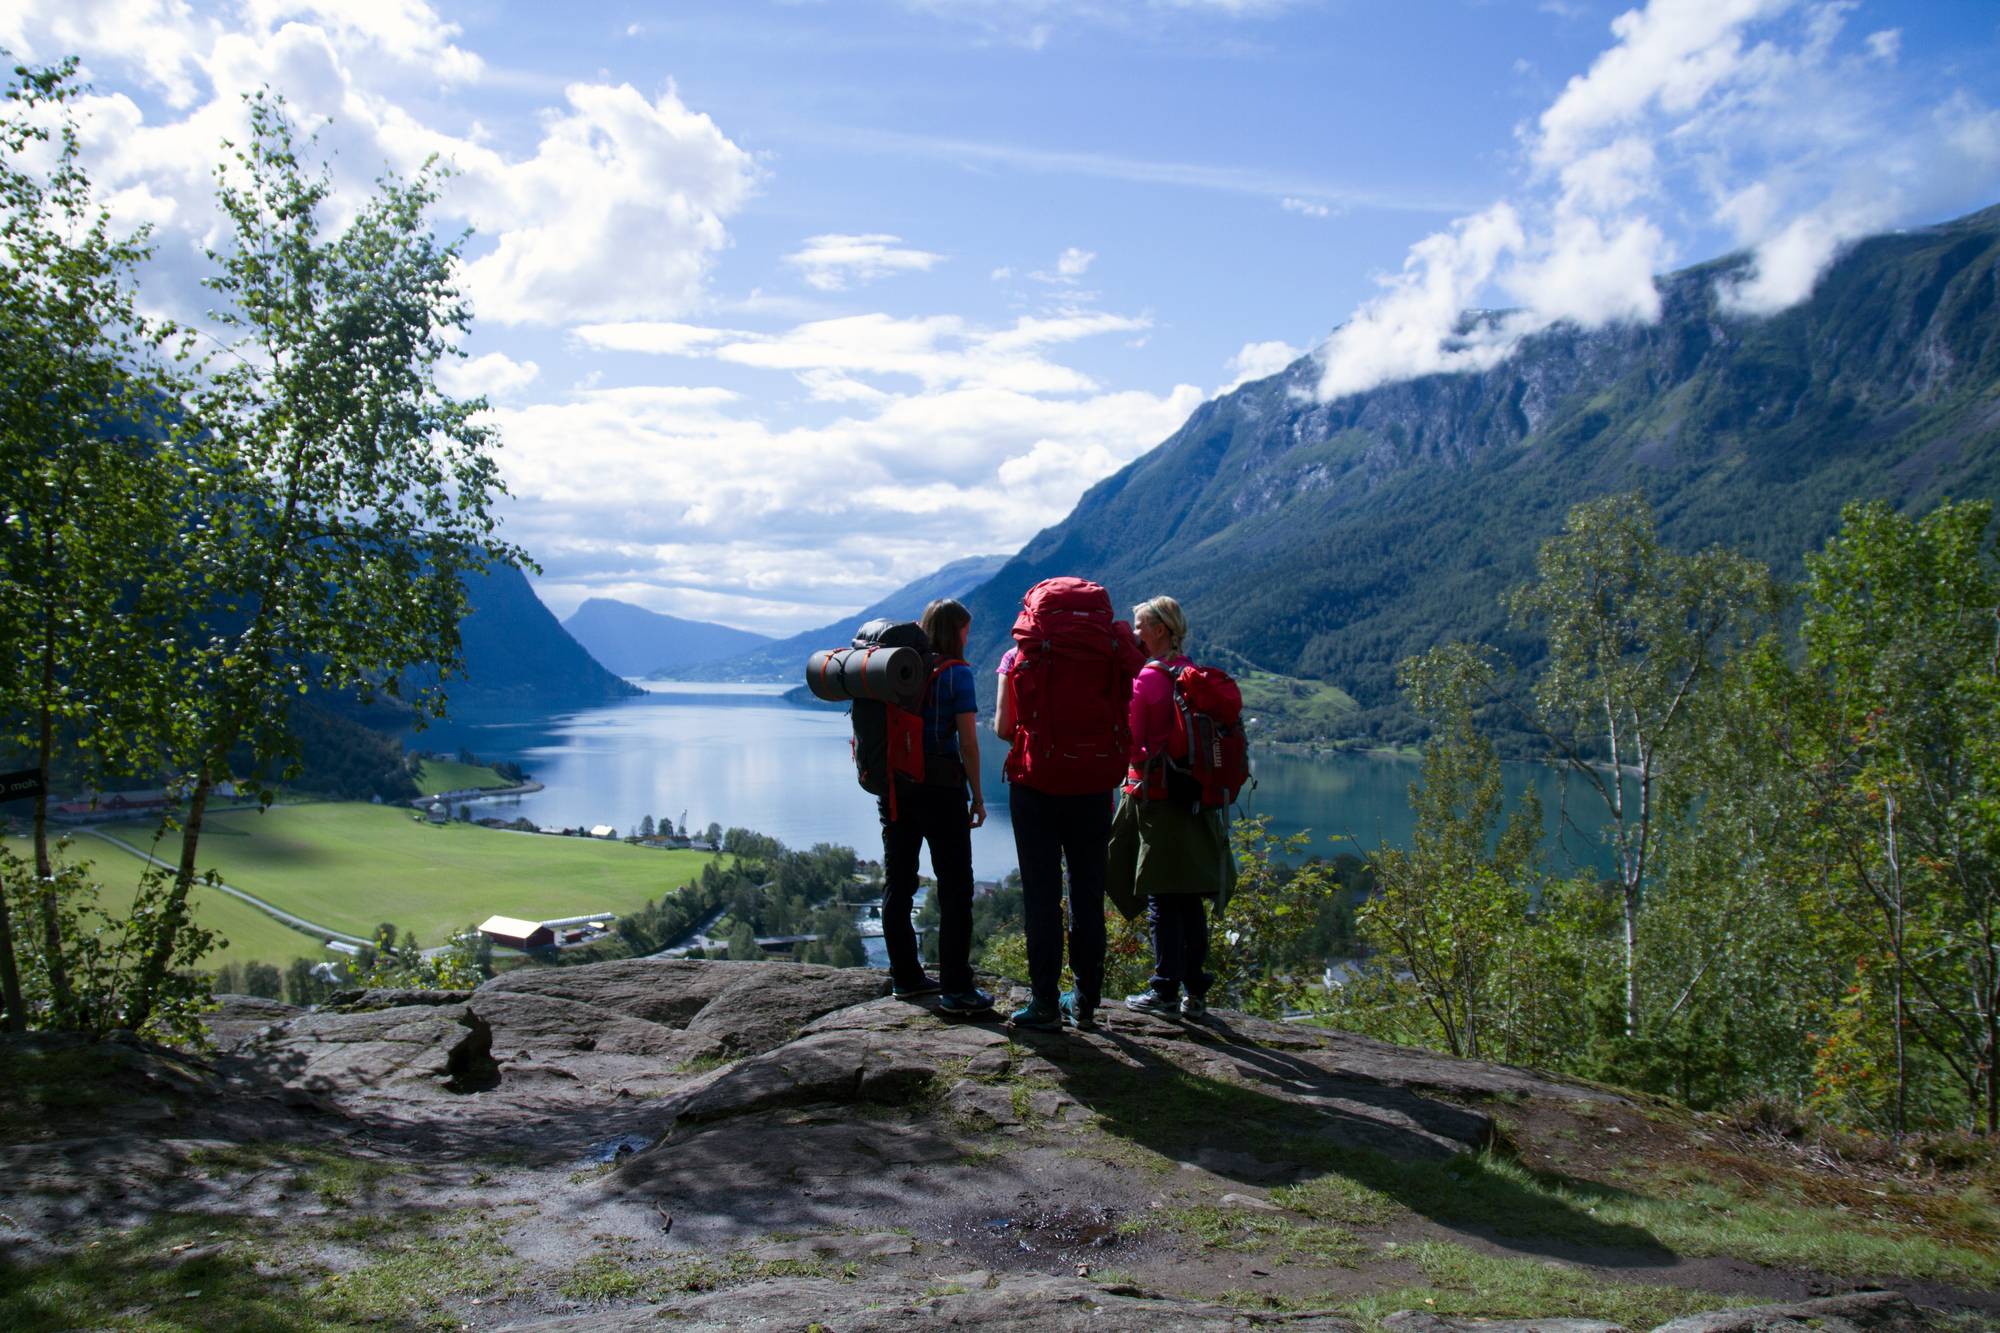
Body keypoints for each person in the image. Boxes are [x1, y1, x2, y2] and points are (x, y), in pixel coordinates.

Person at [994, 580, 1140, 1032]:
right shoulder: (1111, 646)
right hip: (1095, 784)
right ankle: (1087, 1001)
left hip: (1035, 786)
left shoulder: (1022, 651)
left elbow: (1003, 728)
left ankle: (1043, 1003)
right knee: (1087, 893)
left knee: (1042, 894)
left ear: (1033, 611)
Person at [1110, 595, 1236, 1020]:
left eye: (1140, 626)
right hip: (1197, 800)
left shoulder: (1149, 677)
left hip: (1159, 799)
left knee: (1162, 896)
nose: (1135, 633)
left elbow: (1134, 741)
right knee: (1188, 900)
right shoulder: (1189, 672)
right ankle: (1195, 991)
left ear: (1160, 630)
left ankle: (1163, 989)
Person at [880, 598, 991, 1015]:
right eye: (966, 629)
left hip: (896, 788)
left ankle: (905, 977)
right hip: (942, 791)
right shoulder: (957, 674)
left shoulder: (901, 668)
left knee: (900, 883)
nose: (969, 637)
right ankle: (957, 987)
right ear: (955, 631)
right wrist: (977, 796)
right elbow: (968, 742)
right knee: (956, 889)